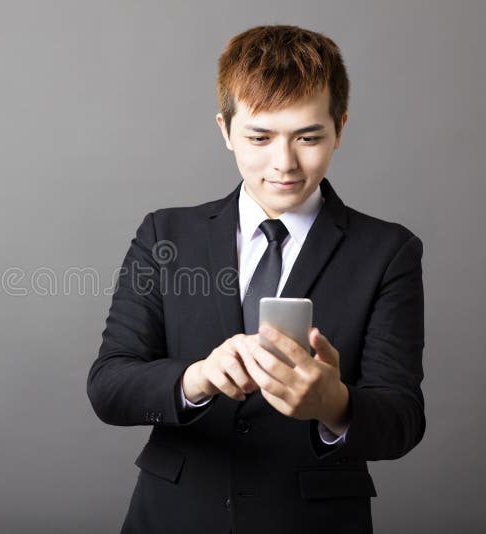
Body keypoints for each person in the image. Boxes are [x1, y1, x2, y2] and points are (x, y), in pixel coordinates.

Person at [86, 25, 425, 534]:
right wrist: (197, 378)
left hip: (313, 522)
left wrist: (335, 404)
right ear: (225, 130)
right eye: (260, 137)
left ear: (340, 128)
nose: (284, 163)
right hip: (174, 515)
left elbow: (403, 419)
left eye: (308, 137)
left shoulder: (388, 250)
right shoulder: (165, 234)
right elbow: (109, 385)